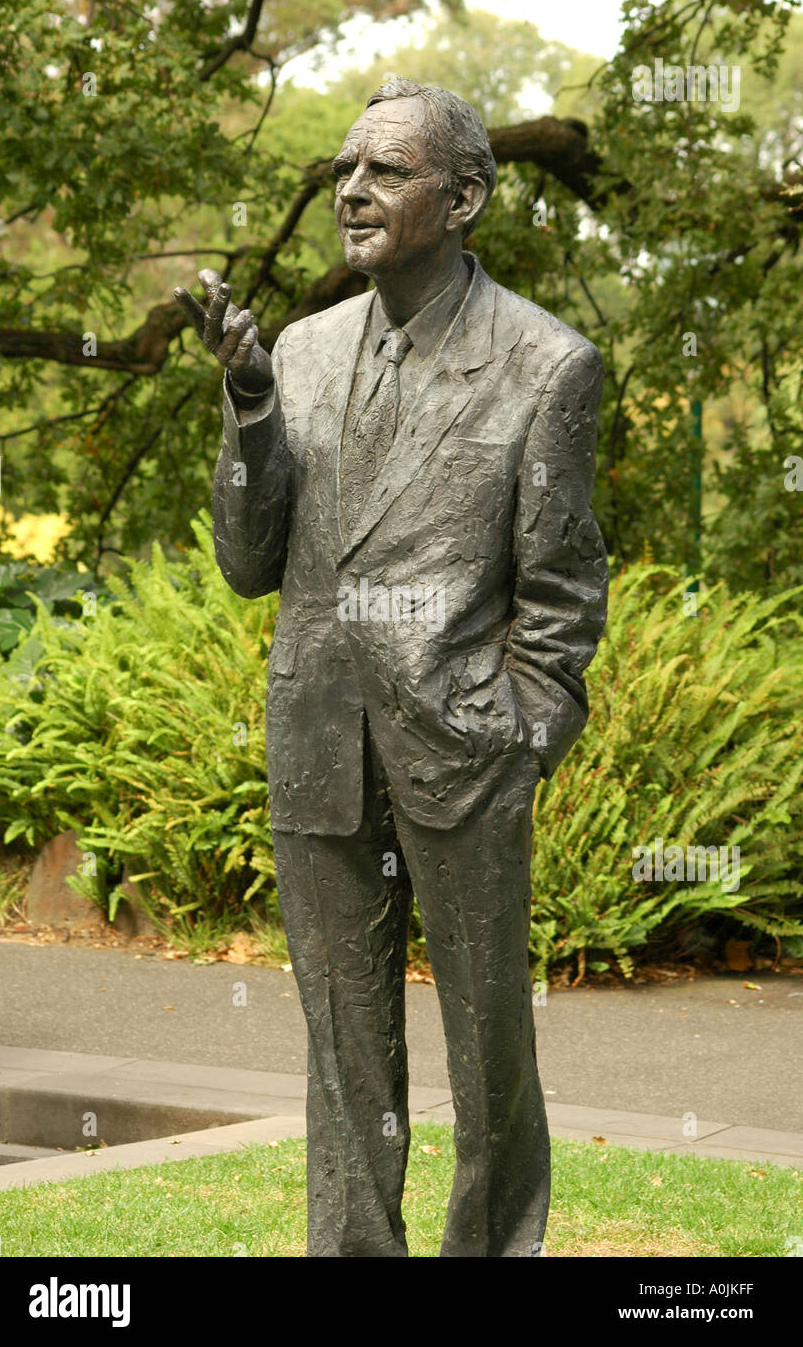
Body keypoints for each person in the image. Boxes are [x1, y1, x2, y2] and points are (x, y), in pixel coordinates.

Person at [174, 77, 609, 1258]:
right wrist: (249, 405)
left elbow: (563, 599)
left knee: (487, 1049)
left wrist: (520, 738)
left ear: (463, 196)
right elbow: (248, 562)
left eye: (384, 172)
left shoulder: (545, 365)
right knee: (341, 1052)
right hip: (319, 743)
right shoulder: (300, 355)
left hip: (465, 753)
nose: (350, 191)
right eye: (342, 171)